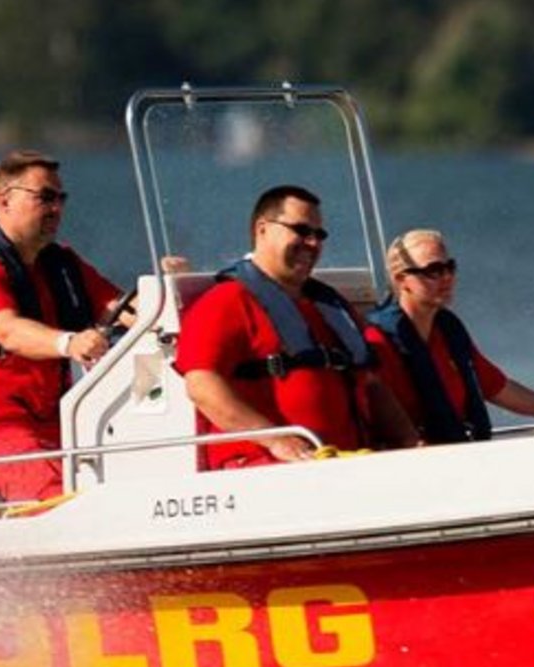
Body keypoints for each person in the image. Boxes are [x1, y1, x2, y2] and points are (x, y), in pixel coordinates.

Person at [175, 185, 420, 468]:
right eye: (302, 231)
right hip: (265, 470)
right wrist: (275, 440)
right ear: (262, 230)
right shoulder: (226, 302)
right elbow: (202, 387)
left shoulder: (331, 306)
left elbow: (372, 384)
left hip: (343, 465)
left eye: (319, 235)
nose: (313, 243)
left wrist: (409, 442)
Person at [0, 150, 126, 501]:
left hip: (51, 421)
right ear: (6, 201)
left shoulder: (61, 264)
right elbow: (8, 331)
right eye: (45, 197)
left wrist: (168, 292)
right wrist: (70, 343)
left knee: (134, 466)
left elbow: (122, 308)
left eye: (61, 198)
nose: (57, 209)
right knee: (54, 494)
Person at [363, 230, 534, 443]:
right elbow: (373, 409)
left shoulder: (447, 331)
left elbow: (498, 388)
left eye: (450, 267)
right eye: (434, 271)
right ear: (401, 279)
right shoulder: (379, 342)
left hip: (461, 455)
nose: (447, 277)